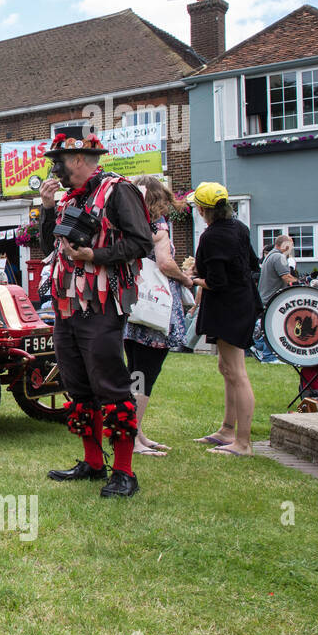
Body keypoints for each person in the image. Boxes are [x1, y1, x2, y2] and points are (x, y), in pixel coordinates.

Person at [38, 133, 152, 498]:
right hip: (66, 305)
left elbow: (142, 243)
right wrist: (46, 209)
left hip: (101, 305)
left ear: (77, 159)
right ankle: (93, 463)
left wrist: (94, 257)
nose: (54, 166)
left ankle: (124, 472)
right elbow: (49, 247)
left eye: (59, 159)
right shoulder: (69, 198)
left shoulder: (119, 191)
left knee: (110, 383)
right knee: (77, 383)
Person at [121, 176, 195, 457]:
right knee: (146, 376)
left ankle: (136, 432)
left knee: (135, 372)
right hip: (156, 314)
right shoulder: (159, 226)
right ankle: (133, 437)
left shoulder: (130, 227)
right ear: (156, 199)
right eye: (164, 200)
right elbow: (164, 263)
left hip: (135, 311)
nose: (167, 207)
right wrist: (185, 279)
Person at [189, 182, 260, 458]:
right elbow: (252, 264)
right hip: (241, 301)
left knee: (237, 373)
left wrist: (193, 279)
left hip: (230, 306)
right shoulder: (239, 228)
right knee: (226, 368)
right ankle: (227, 430)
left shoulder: (212, 236)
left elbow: (216, 281)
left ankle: (242, 443)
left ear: (203, 209)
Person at [253, 234, 295, 363]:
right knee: (273, 326)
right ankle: (268, 356)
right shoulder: (279, 257)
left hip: (265, 296)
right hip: (272, 298)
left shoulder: (270, 255)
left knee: (267, 325)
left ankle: (258, 347)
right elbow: (286, 277)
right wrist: (301, 286)